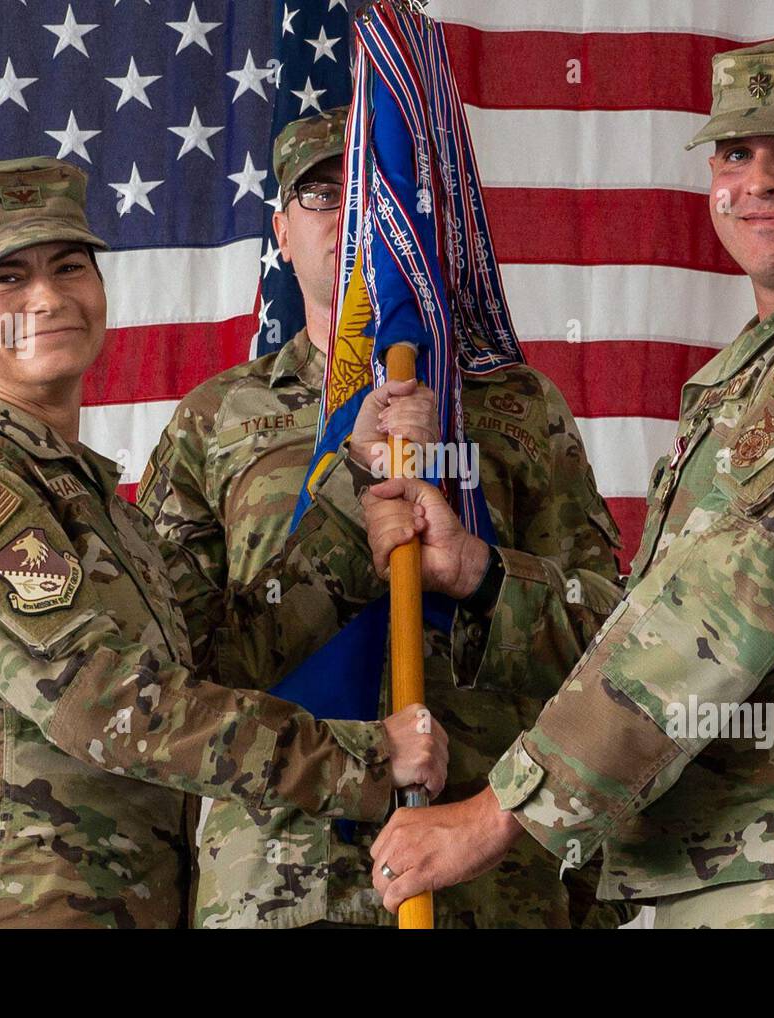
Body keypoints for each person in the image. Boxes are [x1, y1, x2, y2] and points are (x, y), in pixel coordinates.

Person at [362, 36, 774, 929]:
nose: (760, 179)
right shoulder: (765, 368)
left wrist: (495, 815)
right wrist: (482, 575)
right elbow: (662, 615)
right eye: (737, 152)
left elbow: (712, 620)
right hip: (768, 880)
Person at [0, 157, 446, 928]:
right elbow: (99, 700)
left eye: (69, 267)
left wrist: (355, 485)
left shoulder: (95, 507)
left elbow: (209, 672)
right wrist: (358, 760)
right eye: (7, 281)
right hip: (5, 907)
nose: (49, 298)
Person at [138, 107, 627, 928]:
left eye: (381, 196)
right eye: (323, 196)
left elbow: (617, 645)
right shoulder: (215, 420)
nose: (354, 217)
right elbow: (168, 668)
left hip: (489, 879)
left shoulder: (516, 411)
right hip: (273, 879)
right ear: (281, 233)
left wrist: (483, 578)